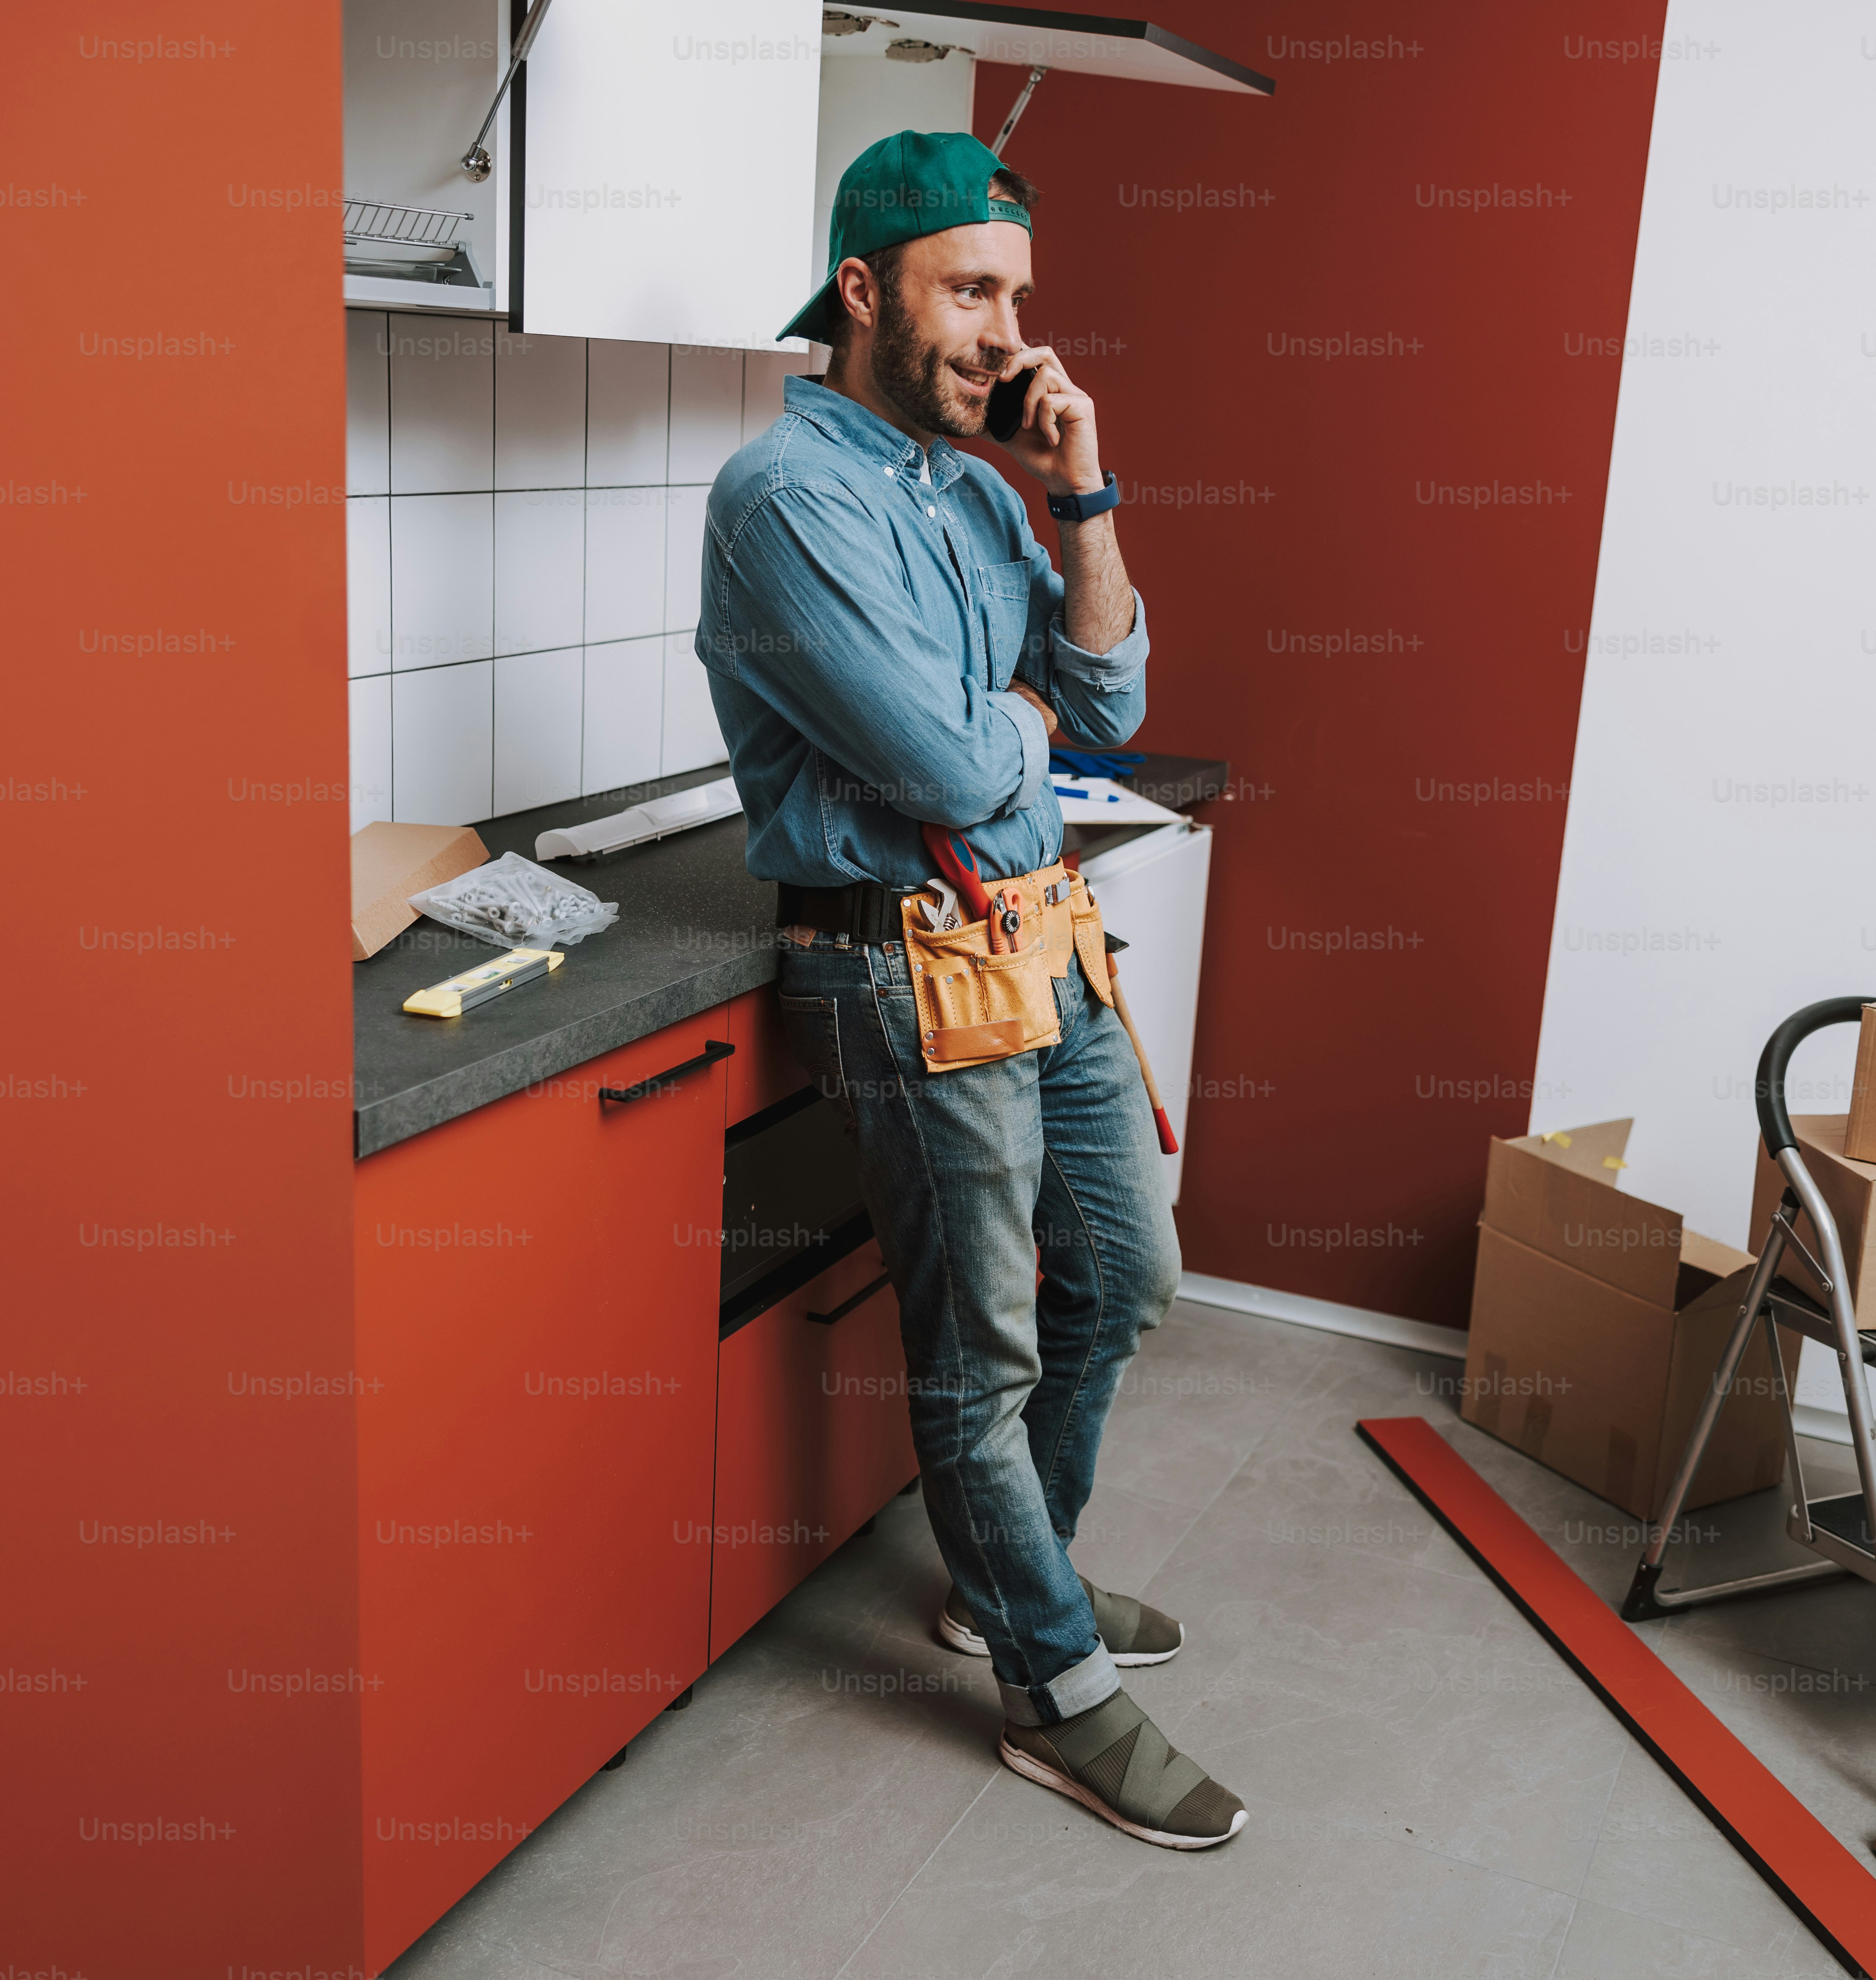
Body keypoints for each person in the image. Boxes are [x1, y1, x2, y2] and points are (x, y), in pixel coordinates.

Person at [694, 130, 1242, 1850]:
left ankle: (1013, 1584)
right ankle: (1053, 1684)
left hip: (1031, 936)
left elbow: (1109, 689)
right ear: (864, 293)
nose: (1007, 334)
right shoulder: (787, 499)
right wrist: (1017, 739)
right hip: (895, 956)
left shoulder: (975, 489)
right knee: (982, 1347)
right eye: (971, 291)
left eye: (1017, 295)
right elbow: (959, 757)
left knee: (1128, 1270)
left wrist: (1081, 487)